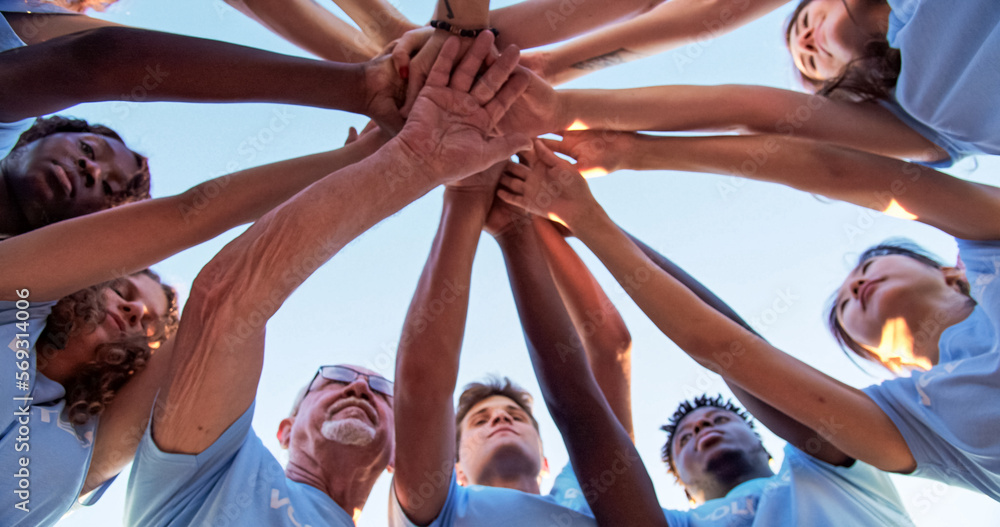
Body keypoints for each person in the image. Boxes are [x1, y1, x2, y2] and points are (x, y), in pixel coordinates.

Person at [122, 31, 531, 526]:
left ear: (402, 453)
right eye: (333, 379)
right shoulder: (214, 472)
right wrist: (413, 161)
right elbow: (225, 305)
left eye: (381, 389)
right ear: (285, 429)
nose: (358, 387)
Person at [497, 135, 1000, 500]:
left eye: (867, 264)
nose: (854, 286)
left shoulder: (988, 249)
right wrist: (567, 220)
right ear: (884, 360)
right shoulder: (922, 426)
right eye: (846, 306)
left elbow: (842, 169)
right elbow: (728, 350)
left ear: (951, 273)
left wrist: (591, 206)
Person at [0, 95, 403, 526]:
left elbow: (226, 302)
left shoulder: (84, 451)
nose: (135, 310)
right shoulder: (14, 301)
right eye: (121, 287)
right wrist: (354, 160)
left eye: (150, 323)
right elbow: (191, 212)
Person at [391, 160, 665, 526]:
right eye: (479, 421)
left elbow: (611, 349)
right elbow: (421, 387)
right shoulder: (443, 508)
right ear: (455, 469)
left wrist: (528, 213)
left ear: (546, 459)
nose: (501, 418)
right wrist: (467, 195)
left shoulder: (585, 490)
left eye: (516, 416)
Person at [0, 0, 406, 155]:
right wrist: (373, 79)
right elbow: (105, 57)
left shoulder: (28, 39)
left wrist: (390, 52)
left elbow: (105, 55)